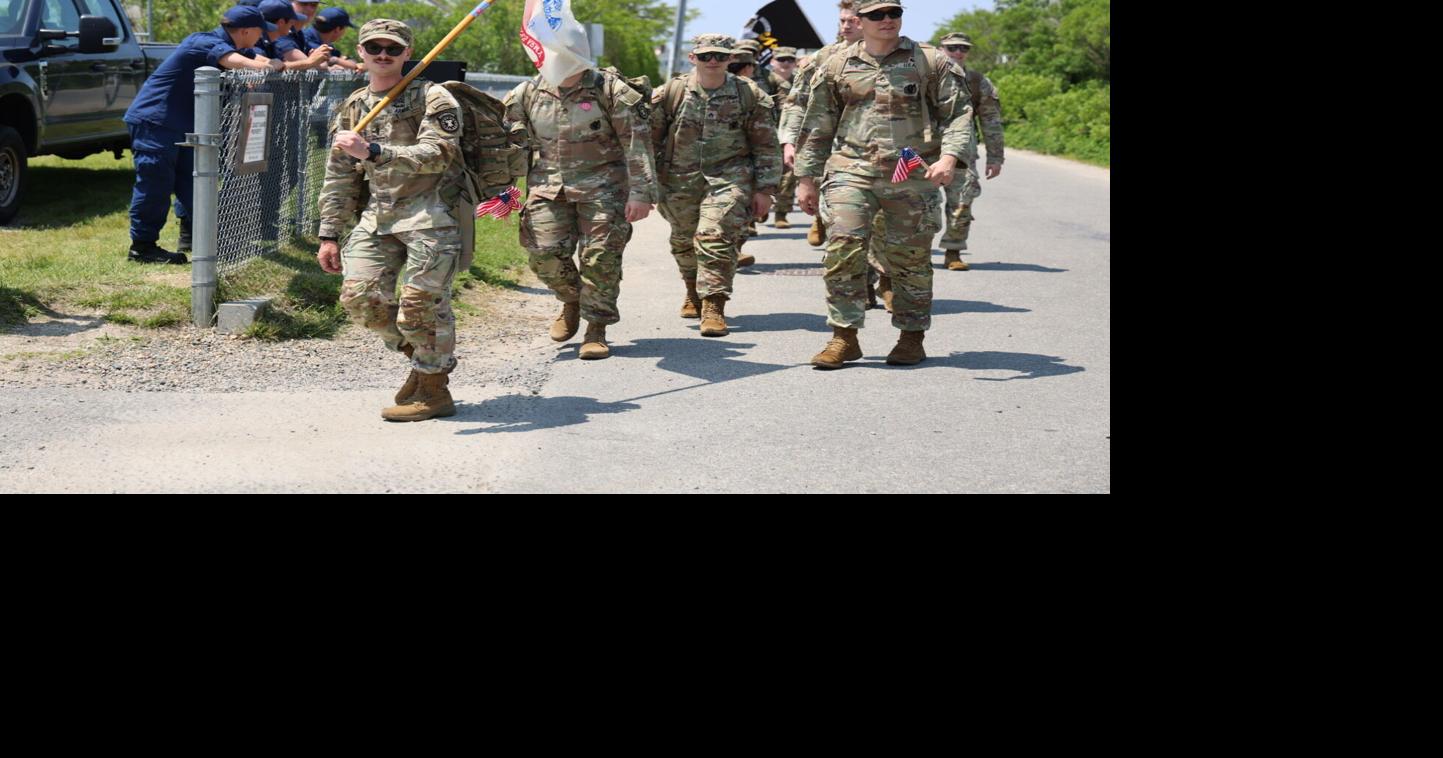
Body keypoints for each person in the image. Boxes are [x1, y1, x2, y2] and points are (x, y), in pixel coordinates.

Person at [795, 1, 974, 368]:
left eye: (894, 13)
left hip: (909, 172)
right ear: (859, 22)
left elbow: (957, 115)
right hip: (851, 169)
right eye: (877, 15)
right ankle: (844, 336)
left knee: (910, 258)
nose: (887, 20)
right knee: (843, 246)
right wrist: (806, 178)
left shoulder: (930, 62)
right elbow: (817, 125)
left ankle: (911, 336)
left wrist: (949, 157)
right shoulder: (836, 63)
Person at [316, 19, 468, 421]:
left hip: (431, 214)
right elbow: (339, 175)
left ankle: (434, 391)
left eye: (393, 48)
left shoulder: (432, 97)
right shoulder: (352, 107)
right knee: (360, 299)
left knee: (420, 307)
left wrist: (376, 152)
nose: (383, 54)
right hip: (378, 218)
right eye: (374, 47)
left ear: (406, 53)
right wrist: (329, 234)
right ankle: (425, 361)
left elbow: (439, 153)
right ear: (362, 52)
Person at [503, 66, 657, 360]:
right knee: (542, 253)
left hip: (604, 188)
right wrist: (501, 188)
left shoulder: (609, 89)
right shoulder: (528, 92)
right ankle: (571, 299)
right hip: (548, 186)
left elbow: (636, 143)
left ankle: (596, 328)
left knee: (600, 258)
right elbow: (507, 144)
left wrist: (641, 193)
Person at [122, 5, 283, 264]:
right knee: (156, 183)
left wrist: (271, 64)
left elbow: (259, 61)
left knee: (195, 183)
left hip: (183, 125)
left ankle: (207, 240)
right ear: (245, 31)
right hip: (156, 121)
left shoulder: (235, 45)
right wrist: (269, 66)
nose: (262, 38)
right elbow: (244, 64)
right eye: (259, 32)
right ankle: (142, 247)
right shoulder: (204, 42)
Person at [650, 34, 779, 337]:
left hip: (729, 178)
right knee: (683, 241)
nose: (712, 61)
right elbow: (649, 140)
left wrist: (766, 189)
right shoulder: (671, 92)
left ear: (730, 59)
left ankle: (714, 305)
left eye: (720, 56)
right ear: (693, 57)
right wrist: (645, 185)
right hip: (679, 179)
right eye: (706, 56)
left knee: (714, 235)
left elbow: (766, 145)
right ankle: (692, 291)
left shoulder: (749, 94)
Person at [779, 1, 862, 249]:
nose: (846, 26)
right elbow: (797, 101)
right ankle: (823, 218)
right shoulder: (824, 57)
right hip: (830, 143)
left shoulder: (892, 58)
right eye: (842, 20)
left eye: (852, 20)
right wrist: (789, 140)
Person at [935, 31, 1004, 271]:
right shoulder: (924, 75)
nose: (957, 52)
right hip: (926, 150)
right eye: (952, 47)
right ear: (940, 48)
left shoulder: (976, 81)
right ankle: (915, 254)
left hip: (963, 152)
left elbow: (991, 121)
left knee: (962, 202)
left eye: (963, 48)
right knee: (920, 207)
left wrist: (995, 157)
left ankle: (953, 251)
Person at [767, 46, 797, 229]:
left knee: (789, 177)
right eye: (781, 59)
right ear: (772, 62)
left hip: (790, 136)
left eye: (789, 60)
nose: (785, 63)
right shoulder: (765, 81)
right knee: (763, 175)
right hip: (766, 135)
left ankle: (781, 213)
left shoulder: (801, 82)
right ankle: (755, 216)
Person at [306, 7, 362, 71]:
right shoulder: (307, 42)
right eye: (345, 28)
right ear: (337, 29)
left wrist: (335, 60)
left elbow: (354, 65)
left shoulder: (326, 43)